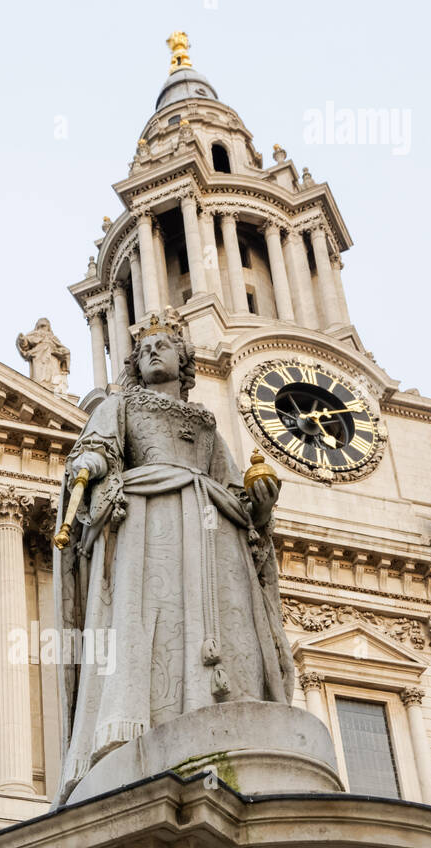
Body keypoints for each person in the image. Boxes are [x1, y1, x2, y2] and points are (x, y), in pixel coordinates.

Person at [53, 311, 294, 805]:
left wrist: (260, 503)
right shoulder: (120, 407)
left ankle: (217, 709)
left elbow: (236, 493)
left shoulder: (207, 424)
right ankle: (146, 719)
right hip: (149, 517)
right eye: (143, 351)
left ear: (183, 362)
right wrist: (90, 466)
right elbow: (98, 449)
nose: (153, 353)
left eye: (163, 347)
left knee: (223, 618)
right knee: (150, 613)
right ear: (135, 367)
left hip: (213, 527)